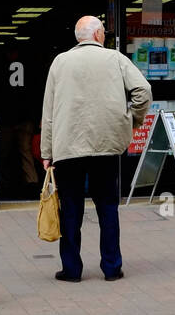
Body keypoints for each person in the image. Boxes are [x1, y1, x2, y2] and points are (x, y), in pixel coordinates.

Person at [40, 16, 152, 282]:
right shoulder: (116, 59)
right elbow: (143, 91)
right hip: (106, 146)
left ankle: (72, 270)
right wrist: (131, 121)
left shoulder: (60, 62)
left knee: (70, 209)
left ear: (79, 37)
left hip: (68, 147)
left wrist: (47, 152)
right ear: (99, 35)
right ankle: (112, 267)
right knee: (107, 207)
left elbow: (49, 112)